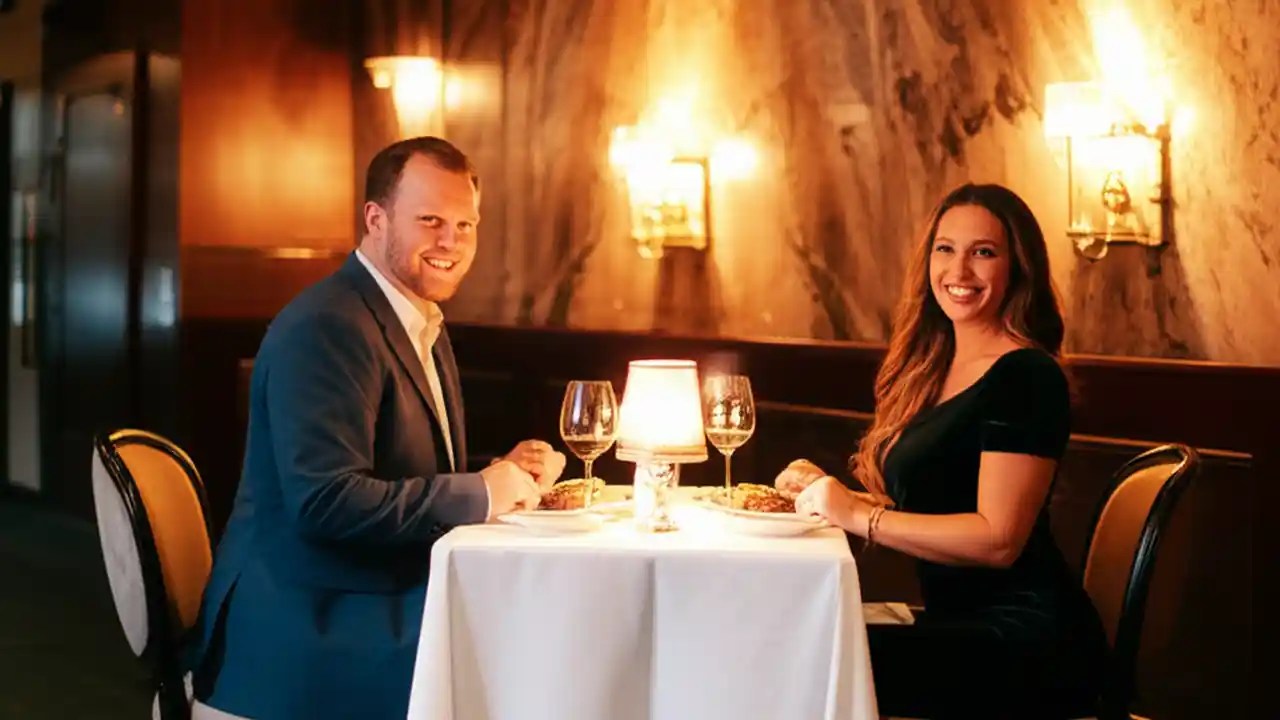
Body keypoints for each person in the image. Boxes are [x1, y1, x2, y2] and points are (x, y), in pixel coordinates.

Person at [187, 137, 566, 720]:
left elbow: (401, 469)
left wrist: (502, 472)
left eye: (465, 225)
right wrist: (482, 491)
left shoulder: (414, 316)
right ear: (376, 218)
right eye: (431, 221)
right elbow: (326, 501)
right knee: (535, 654)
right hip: (311, 621)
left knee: (536, 637)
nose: (451, 243)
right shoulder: (328, 325)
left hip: (369, 588)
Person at [776, 184, 1106, 719]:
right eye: (945, 249)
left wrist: (858, 513)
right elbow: (928, 505)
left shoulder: (1026, 374)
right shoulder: (933, 367)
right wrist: (826, 494)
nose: (960, 270)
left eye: (983, 252)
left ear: (1017, 266)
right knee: (800, 633)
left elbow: (998, 540)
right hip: (957, 625)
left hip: (1023, 643)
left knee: (805, 655)